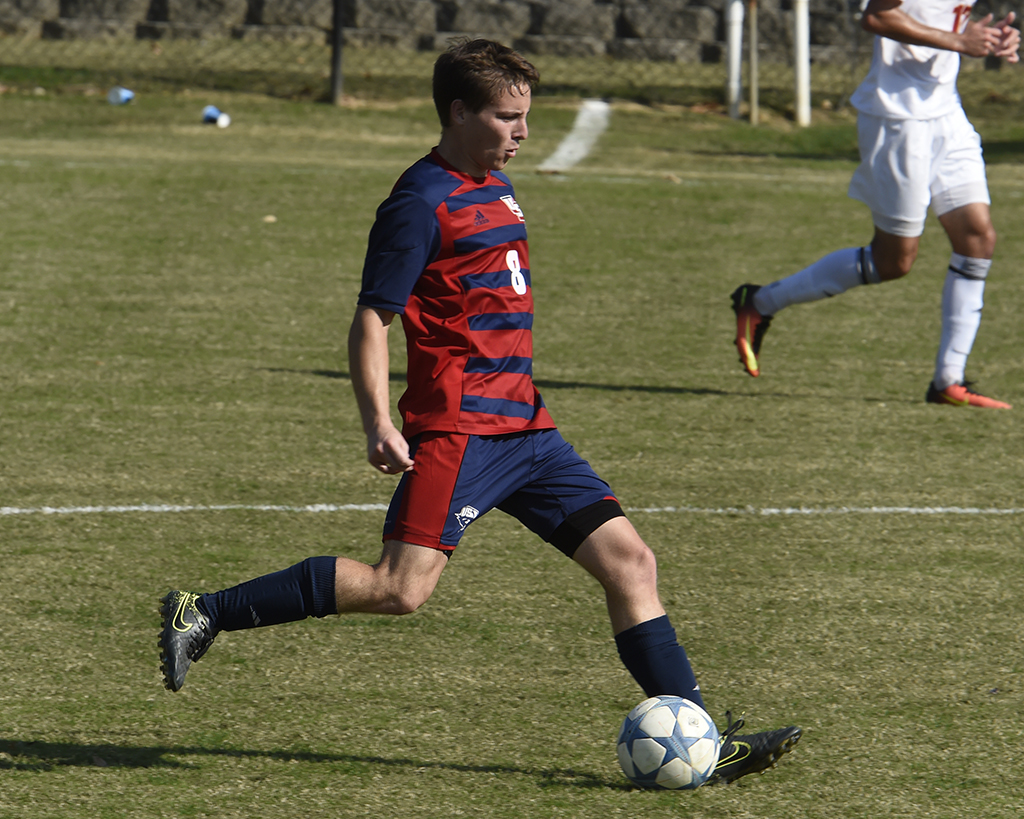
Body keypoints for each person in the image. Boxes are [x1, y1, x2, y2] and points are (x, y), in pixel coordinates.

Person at [159, 38, 800, 786]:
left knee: (631, 562)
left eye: (526, 115)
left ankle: (706, 739)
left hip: (527, 427)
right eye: (507, 117)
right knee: (400, 587)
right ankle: (202, 611)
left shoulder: (494, 183)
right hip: (462, 431)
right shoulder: (417, 203)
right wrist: (377, 422)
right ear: (459, 111)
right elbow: (373, 319)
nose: (523, 132)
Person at [732, 0, 1020, 408]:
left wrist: (989, 39)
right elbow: (877, 15)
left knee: (978, 238)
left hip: (946, 112)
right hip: (898, 119)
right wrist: (960, 40)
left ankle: (948, 381)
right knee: (894, 262)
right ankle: (760, 303)